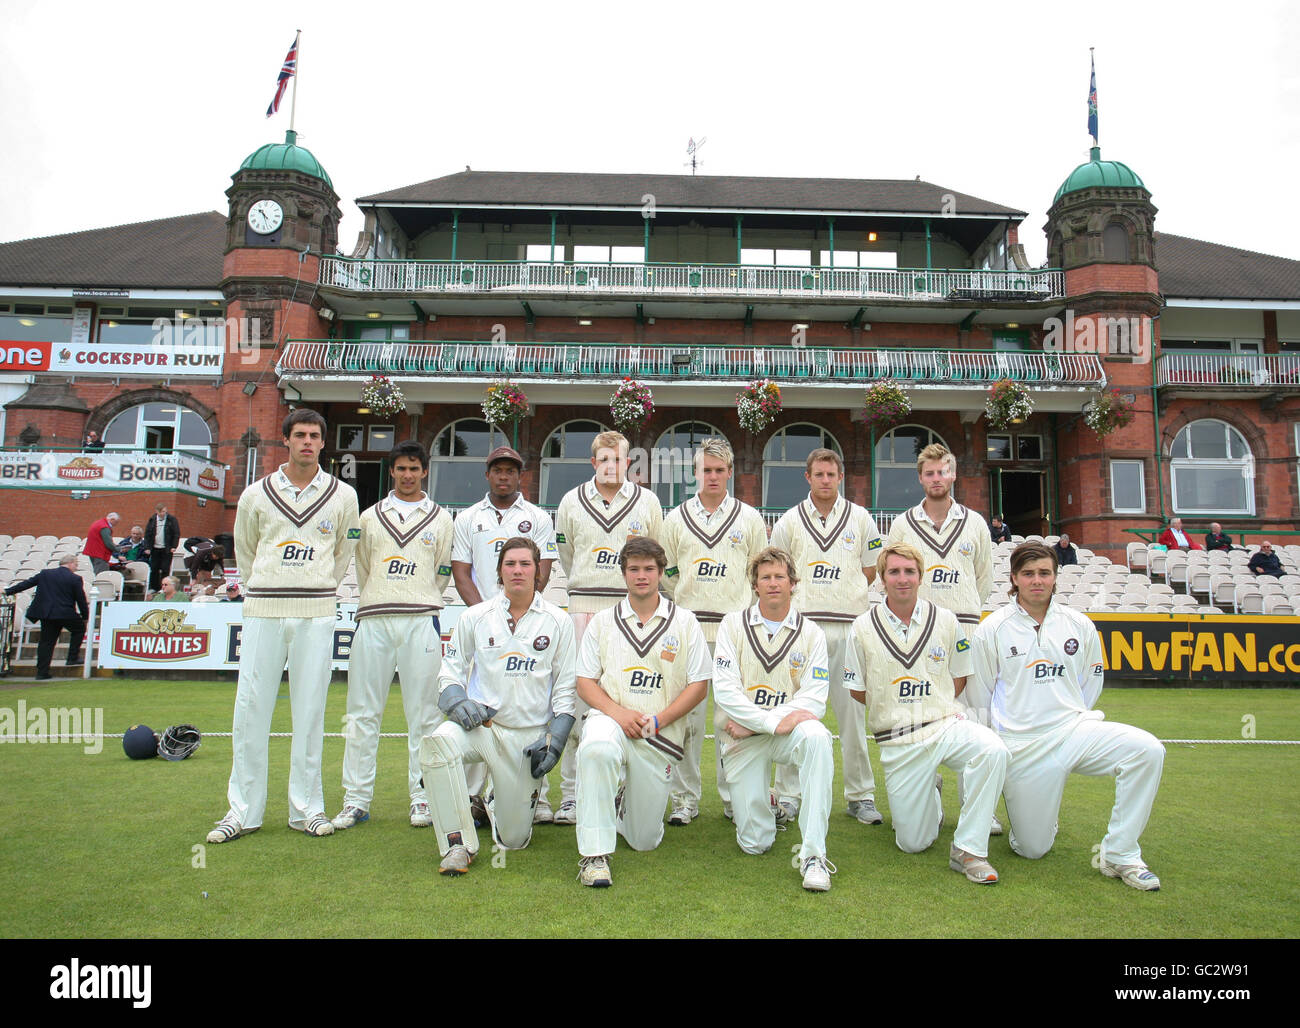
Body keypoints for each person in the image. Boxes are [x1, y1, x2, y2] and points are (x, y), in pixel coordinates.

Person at [967, 542, 1165, 891]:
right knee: (1032, 850)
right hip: (1023, 747)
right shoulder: (992, 629)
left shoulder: (1079, 624)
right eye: (1028, 574)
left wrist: (1070, 716)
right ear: (1014, 578)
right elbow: (979, 693)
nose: (1037, 581)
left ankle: (1121, 854)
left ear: (1056, 577)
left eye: (1044, 573)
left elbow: (1091, 682)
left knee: (1147, 750)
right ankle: (1035, 815)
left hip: (1074, 731)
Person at [206, 408, 360, 844]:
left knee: (310, 711)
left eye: (314, 435)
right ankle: (242, 811)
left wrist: (318, 584)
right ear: (287, 441)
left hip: (316, 609)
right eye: (300, 435)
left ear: (323, 442)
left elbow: (344, 552)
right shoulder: (257, 493)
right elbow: (246, 550)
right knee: (251, 709)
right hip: (264, 608)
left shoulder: (342, 495)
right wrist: (267, 586)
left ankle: (307, 808)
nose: (307, 442)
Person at [844, 543, 1008, 884]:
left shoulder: (946, 620)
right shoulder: (861, 627)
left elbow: (959, 677)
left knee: (993, 750)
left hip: (945, 724)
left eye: (909, 571)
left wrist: (935, 707)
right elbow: (858, 689)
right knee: (913, 843)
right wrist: (896, 710)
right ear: (882, 579)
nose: (902, 579)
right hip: (899, 739)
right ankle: (929, 790)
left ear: (920, 577)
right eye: (894, 572)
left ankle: (969, 849)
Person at [421, 537, 576, 876]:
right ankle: (458, 845)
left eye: (525, 564)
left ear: (538, 571)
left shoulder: (558, 621)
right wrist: (457, 701)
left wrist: (556, 739)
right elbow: (449, 673)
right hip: (481, 728)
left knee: (514, 840)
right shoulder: (475, 617)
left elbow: (566, 691)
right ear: (499, 571)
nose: (517, 570)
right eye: (510, 564)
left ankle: (494, 802)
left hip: (526, 738)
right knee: (437, 745)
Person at [574, 538, 710, 887]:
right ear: (623, 574)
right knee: (596, 749)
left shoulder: (685, 622)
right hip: (611, 721)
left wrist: (657, 721)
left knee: (644, 840)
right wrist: (618, 714)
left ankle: (621, 805)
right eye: (634, 569)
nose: (641, 576)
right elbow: (586, 682)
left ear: (661, 572)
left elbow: (698, 686)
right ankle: (594, 855)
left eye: (649, 569)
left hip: (659, 733)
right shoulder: (603, 622)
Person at [333, 441, 454, 832]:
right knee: (362, 713)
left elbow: (441, 572)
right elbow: (364, 567)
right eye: (401, 468)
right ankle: (356, 800)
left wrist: (417, 596)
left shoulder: (440, 518)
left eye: (413, 469)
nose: (407, 475)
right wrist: (383, 597)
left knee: (425, 715)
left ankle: (422, 797)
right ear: (393, 472)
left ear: (424, 472)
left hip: (421, 618)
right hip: (375, 618)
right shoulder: (369, 517)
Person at [885, 442, 999, 834]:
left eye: (942, 472)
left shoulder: (976, 523)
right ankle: (926, 799)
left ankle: (977, 806)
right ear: (921, 478)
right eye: (929, 473)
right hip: (920, 634)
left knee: (974, 716)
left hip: (965, 629)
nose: (936, 479)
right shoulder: (903, 524)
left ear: (953, 474)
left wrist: (962, 612)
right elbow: (893, 572)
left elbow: (983, 577)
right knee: (922, 715)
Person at [553, 429, 663, 826]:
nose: (611, 466)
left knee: (630, 697)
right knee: (579, 703)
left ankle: (624, 792)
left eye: (618, 459)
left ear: (628, 462)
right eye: (604, 459)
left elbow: (653, 556)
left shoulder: (646, 501)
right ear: (593, 462)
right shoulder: (570, 501)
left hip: (630, 612)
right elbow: (567, 556)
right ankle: (571, 795)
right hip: (584, 606)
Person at [769, 447, 882, 827]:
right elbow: (779, 572)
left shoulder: (862, 519)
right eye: (818, 474)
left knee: (852, 716)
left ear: (840, 477)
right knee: (794, 712)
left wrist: (843, 596)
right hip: (802, 631)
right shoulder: (788, 521)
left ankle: (860, 794)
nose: (825, 480)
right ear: (808, 477)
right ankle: (787, 796)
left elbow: (870, 570)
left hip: (850, 628)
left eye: (831, 474)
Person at [712, 547, 836, 891]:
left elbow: (814, 698)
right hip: (743, 739)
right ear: (755, 585)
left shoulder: (812, 633)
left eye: (780, 576)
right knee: (755, 844)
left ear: (793, 583)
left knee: (818, 736)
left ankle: (814, 855)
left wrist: (758, 723)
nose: (773, 583)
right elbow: (725, 692)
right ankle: (771, 807)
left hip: (772, 731)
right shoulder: (732, 625)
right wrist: (765, 723)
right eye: (765, 577)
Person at [658, 437, 767, 826]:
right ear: (695, 473)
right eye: (706, 470)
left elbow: (759, 574)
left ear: (731, 472)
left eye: (720, 470)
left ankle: (733, 797)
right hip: (688, 630)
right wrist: (685, 603)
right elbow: (667, 572)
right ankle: (684, 800)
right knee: (687, 721)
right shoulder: (675, 518)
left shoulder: (750, 519)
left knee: (732, 719)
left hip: (733, 632)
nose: (713, 477)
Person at [450, 444, 558, 823]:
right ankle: (471, 797)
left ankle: (536, 797)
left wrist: (520, 614)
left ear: (519, 475)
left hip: (528, 622)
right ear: (488, 474)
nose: (504, 476)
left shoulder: (538, 517)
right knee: (483, 704)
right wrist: (486, 617)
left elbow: (540, 572)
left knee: (530, 703)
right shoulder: (467, 518)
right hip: (484, 624)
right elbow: (461, 572)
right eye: (497, 469)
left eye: (511, 470)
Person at [3, 554, 89, 679]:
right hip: (65, 613)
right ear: (70, 563)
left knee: (46, 643)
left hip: (47, 614)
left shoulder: (45, 574)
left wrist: (7, 591)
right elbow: (80, 599)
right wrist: (85, 616)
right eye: (76, 565)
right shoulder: (75, 578)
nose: (76, 568)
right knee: (79, 629)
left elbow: (26, 584)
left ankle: (42, 672)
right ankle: (72, 657)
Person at [147, 503, 181, 591]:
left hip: (167, 548)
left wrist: (174, 546)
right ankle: (154, 587)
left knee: (165, 569)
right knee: (154, 569)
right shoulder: (152, 519)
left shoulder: (171, 519)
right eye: (162, 512)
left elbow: (176, 533)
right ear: (157, 512)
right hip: (155, 548)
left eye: (165, 511)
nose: (164, 513)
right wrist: (147, 547)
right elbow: (148, 534)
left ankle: (164, 588)